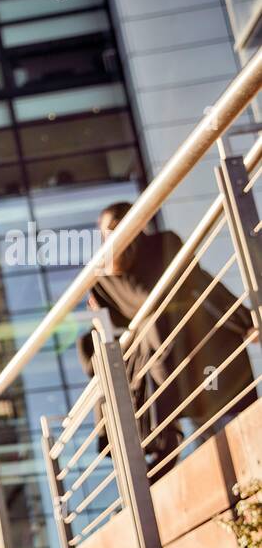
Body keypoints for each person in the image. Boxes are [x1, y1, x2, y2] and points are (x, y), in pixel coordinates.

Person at [78, 202, 256, 473]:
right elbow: (201, 284)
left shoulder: (109, 273)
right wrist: (245, 321)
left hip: (178, 355)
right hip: (185, 352)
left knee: (219, 427)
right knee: (223, 425)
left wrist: (246, 321)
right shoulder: (118, 268)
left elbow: (202, 283)